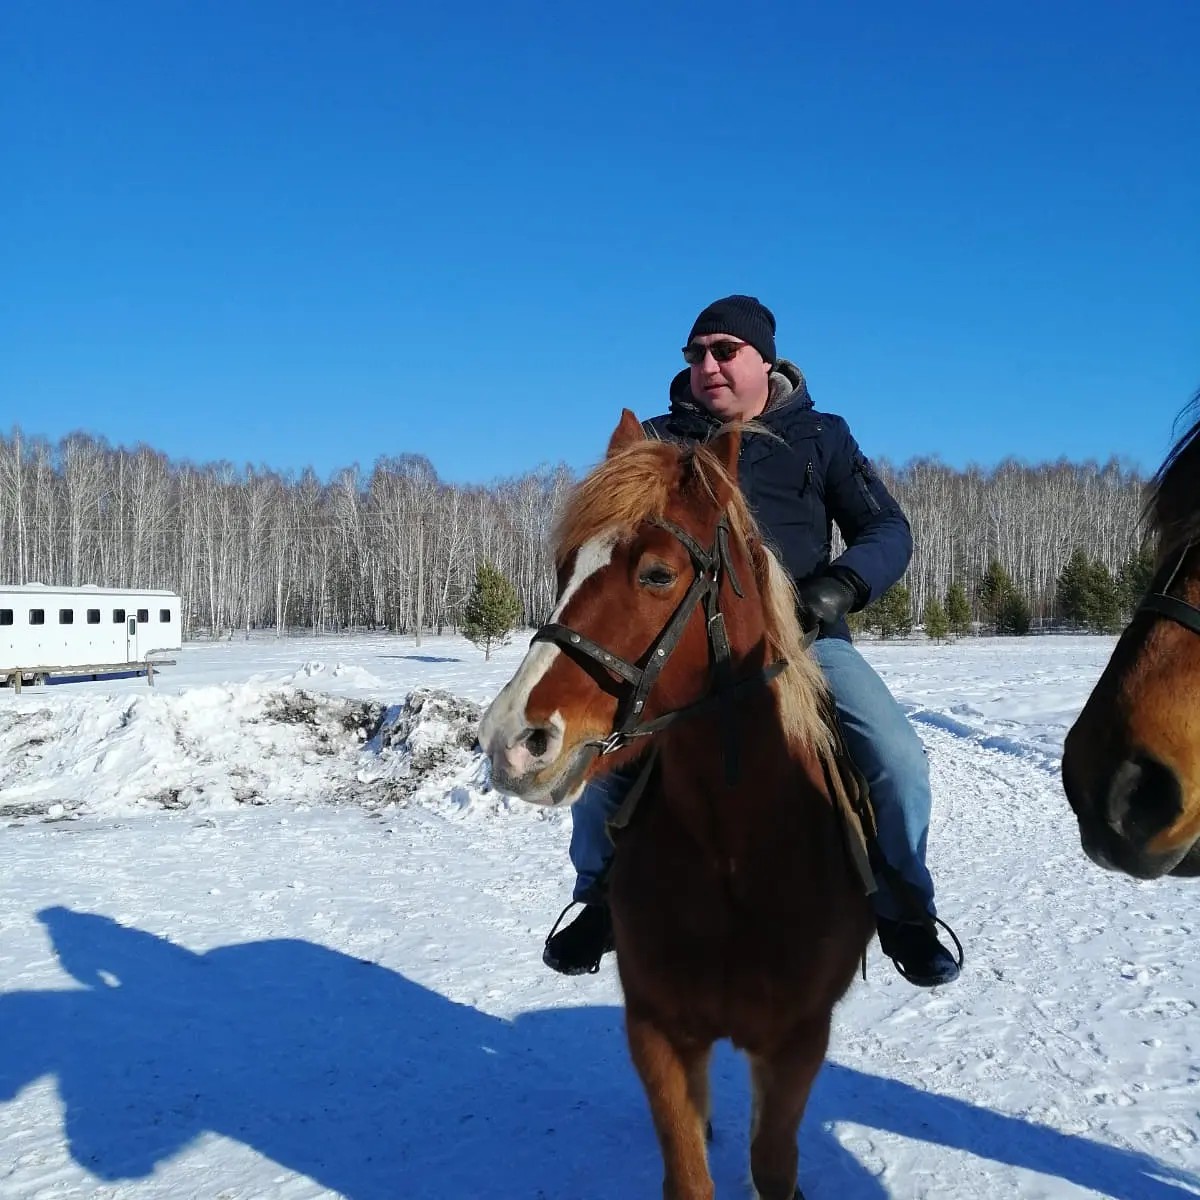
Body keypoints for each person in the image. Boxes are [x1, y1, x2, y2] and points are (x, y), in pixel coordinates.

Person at [543, 294, 961, 988]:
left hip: (804, 640)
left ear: (765, 361)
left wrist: (841, 586)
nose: (707, 366)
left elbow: (887, 528)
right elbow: (611, 543)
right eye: (695, 354)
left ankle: (905, 910)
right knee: (601, 760)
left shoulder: (821, 436)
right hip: (679, 648)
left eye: (724, 351)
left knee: (897, 758)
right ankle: (599, 899)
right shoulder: (657, 440)